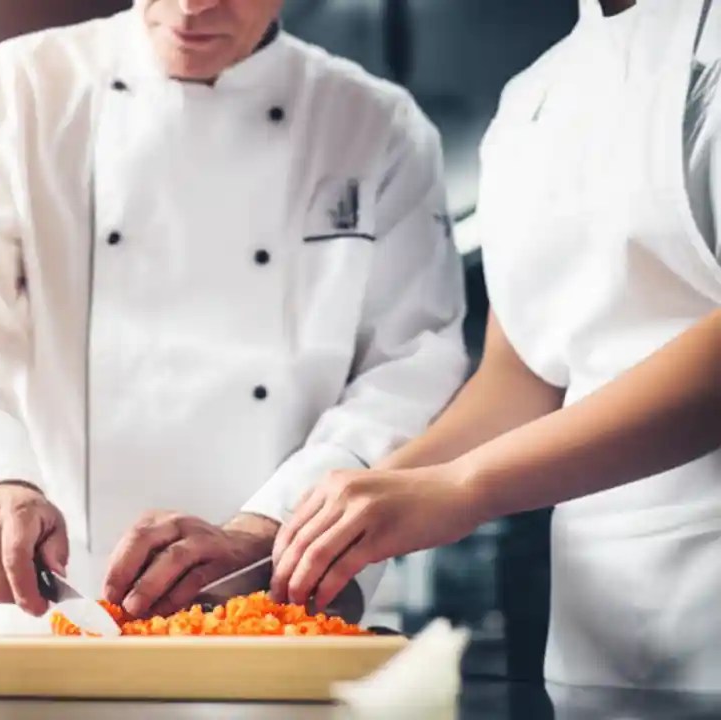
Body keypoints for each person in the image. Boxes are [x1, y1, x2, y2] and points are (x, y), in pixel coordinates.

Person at [0, 0, 468, 634]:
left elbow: (412, 367)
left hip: (274, 604)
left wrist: (278, 523)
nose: (192, 6)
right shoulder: (16, 90)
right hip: (50, 609)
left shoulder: (380, 127)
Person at [271, 0, 721, 691]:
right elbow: (520, 379)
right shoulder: (530, 99)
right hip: (598, 656)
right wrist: (325, 522)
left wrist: (465, 486)